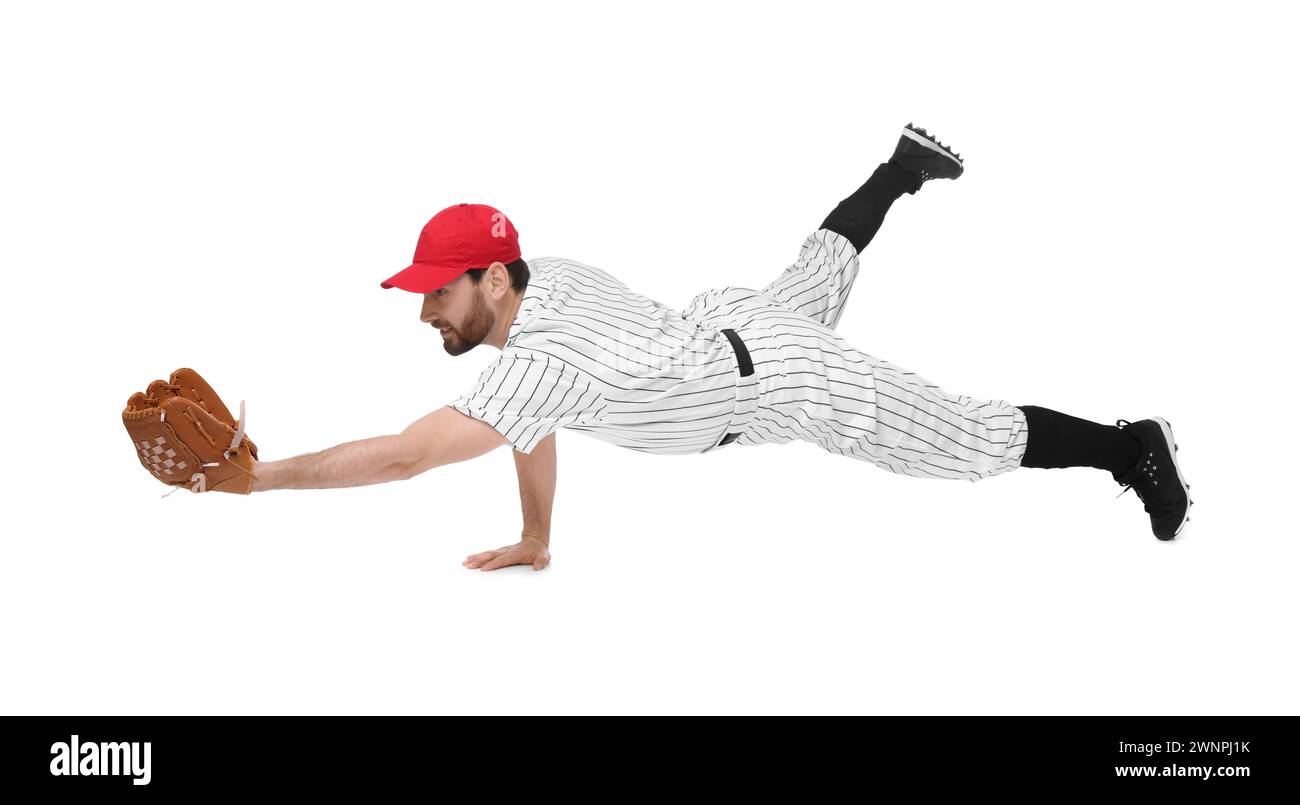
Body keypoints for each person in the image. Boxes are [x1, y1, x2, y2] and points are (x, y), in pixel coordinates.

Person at [250, 124, 1193, 570]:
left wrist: (258, 478)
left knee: (966, 439)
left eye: (438, 292)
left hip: (777, 382)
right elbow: (528, 416)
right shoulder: (551, 277)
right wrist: (539, 535)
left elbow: (412, 455)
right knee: (818, 268)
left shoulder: (530, 366)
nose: (426, 313)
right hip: (722, 328)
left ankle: (1131, 444)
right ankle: (901, 166)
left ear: (496, 281)